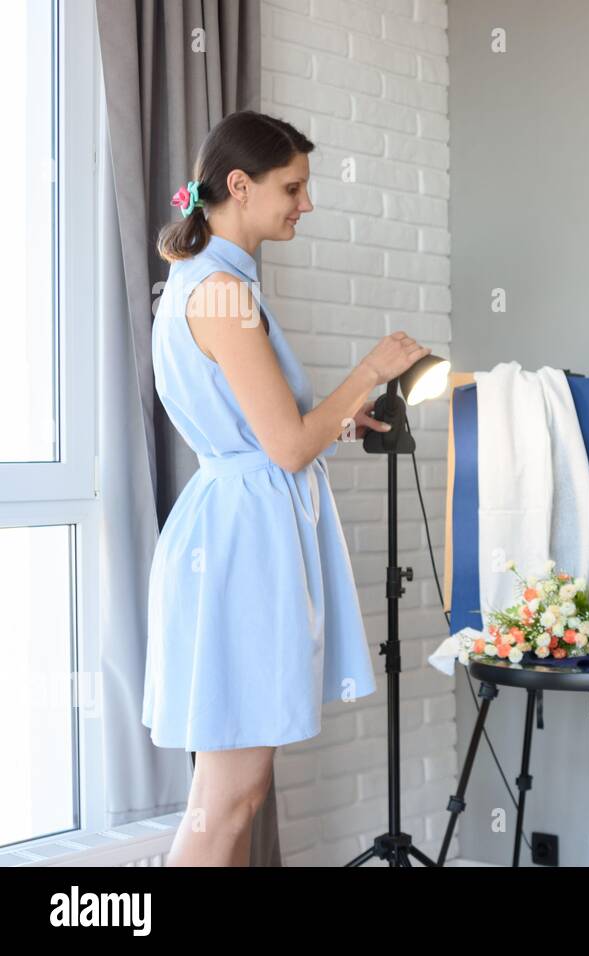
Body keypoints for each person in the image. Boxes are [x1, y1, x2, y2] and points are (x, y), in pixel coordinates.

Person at [143, 110, 433, 865]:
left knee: (237, 791)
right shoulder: (221, 294)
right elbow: (283, 447)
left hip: (238, 530)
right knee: (227, 799)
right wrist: (369, 372)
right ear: (239, 187)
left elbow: (265, 433)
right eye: (292, 187)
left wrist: (343, 418)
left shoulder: (216, 282)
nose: (305, 204)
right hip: (239, 544)